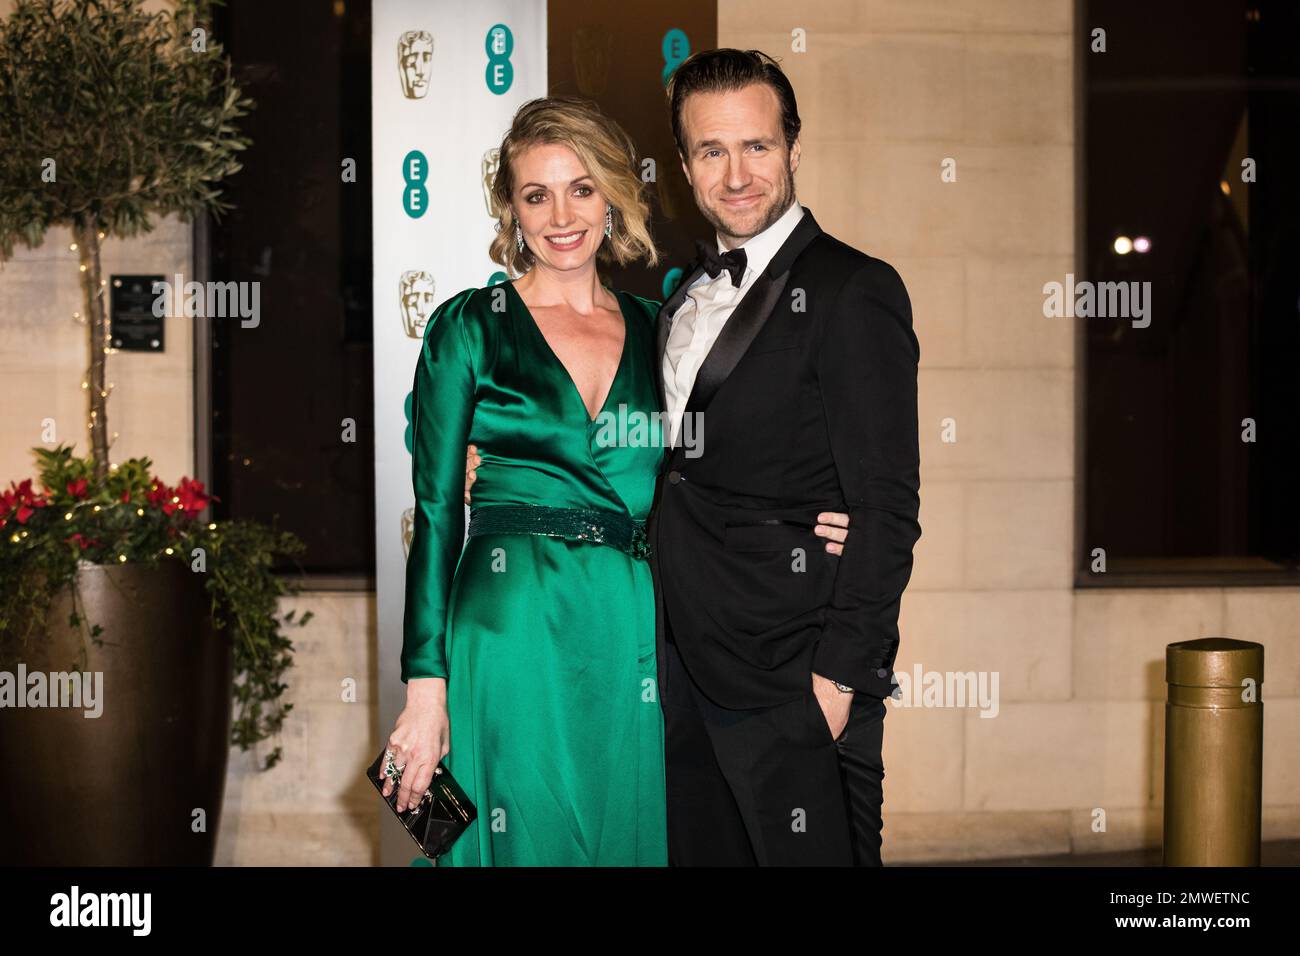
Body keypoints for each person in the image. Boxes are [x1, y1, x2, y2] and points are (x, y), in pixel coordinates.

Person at [386, 94, 850, 865]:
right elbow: (436, 514)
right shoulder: (469, 325)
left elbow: (719, 472)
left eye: (582, 188)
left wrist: (821, 514)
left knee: (623, 832)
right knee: (521, 831)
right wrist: (424, 689)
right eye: (537, 194)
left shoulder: (657, 328)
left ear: (612, 196)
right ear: (512, 208)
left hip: (632, 632)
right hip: (510, 627)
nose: (561, 215)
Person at [650, 49, 922, 866]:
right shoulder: (678, 300)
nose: (736, 174)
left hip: (792, 670)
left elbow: (886, 507)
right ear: (685, 165)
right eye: (711, 150)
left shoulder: (854, 289)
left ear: (793, 150)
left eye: (757, 146)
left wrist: (840, 680)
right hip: (682, 667)